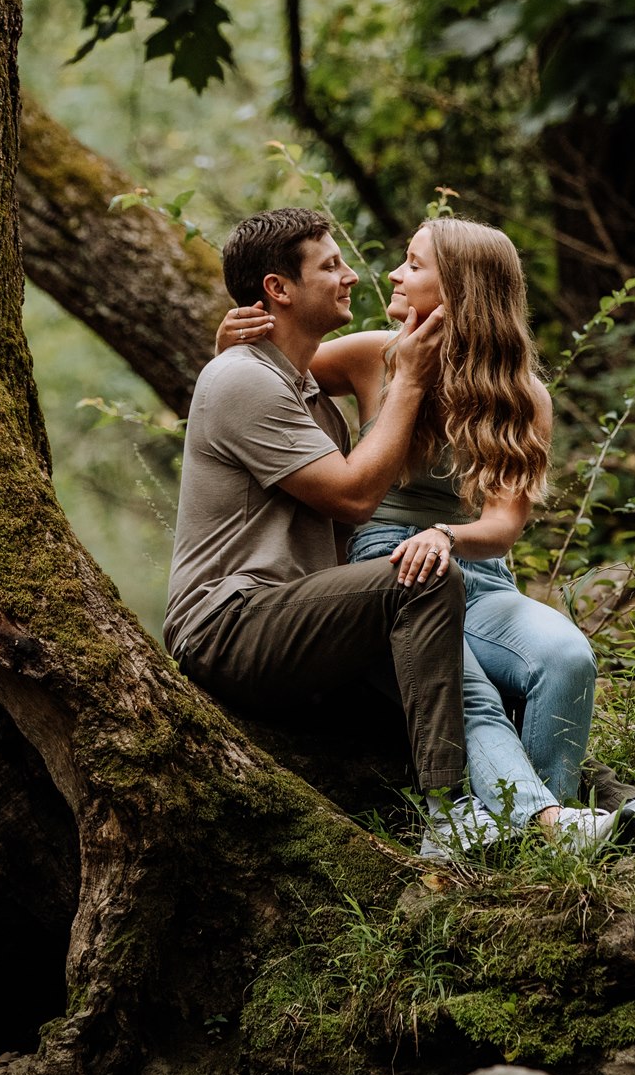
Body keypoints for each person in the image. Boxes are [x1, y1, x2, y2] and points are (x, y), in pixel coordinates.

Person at [216, 216, 609, 852]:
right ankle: (544, 829)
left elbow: (503, 524)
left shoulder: (523, 395)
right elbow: (271, 375)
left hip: (479, 577)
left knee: (568, 658)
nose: (395, 275)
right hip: (390, 571)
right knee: (465, 690)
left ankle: (547, 836)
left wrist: (448, 536)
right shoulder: (374, 356)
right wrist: (230, 341)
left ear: (458, 290)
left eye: (414, 265)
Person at [165, 207, 477, 827]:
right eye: (330, 266)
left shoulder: (306, 394)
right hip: (227, 623)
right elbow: (355, 498)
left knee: (477, 684)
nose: (351, 276)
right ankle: (451, 821)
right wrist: (409, 383)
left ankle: (610, 801)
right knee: (425, 579)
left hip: (298, 619)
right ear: (278, 289)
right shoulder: (242, 379)